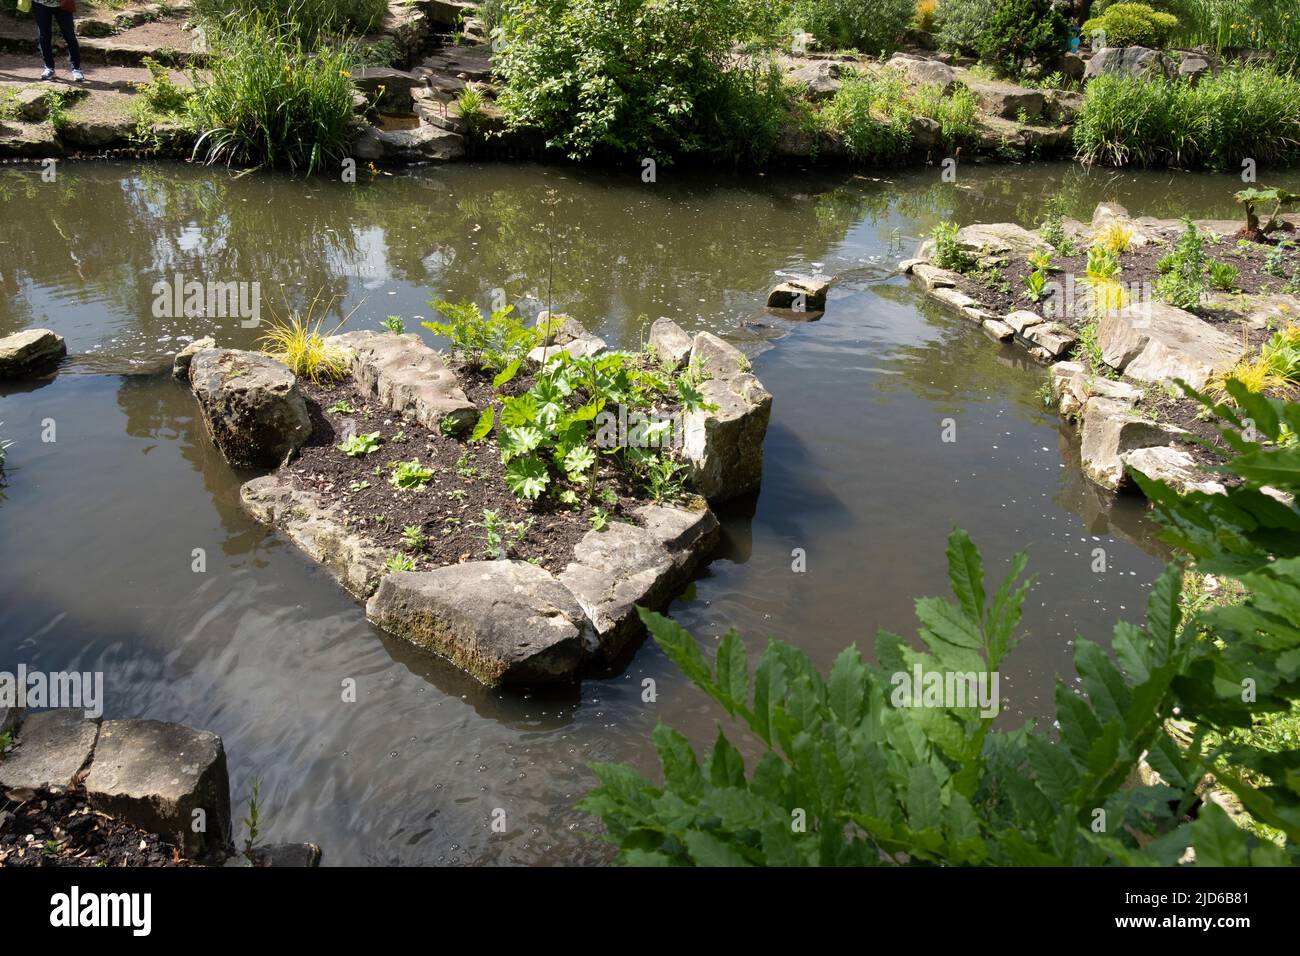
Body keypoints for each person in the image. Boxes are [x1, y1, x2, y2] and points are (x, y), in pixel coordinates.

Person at [33, 0, 84, 83]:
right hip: (40, 4)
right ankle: (49, 68)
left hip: (62, 3)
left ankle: (76, 69)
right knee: (44, 36)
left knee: (70, 36)